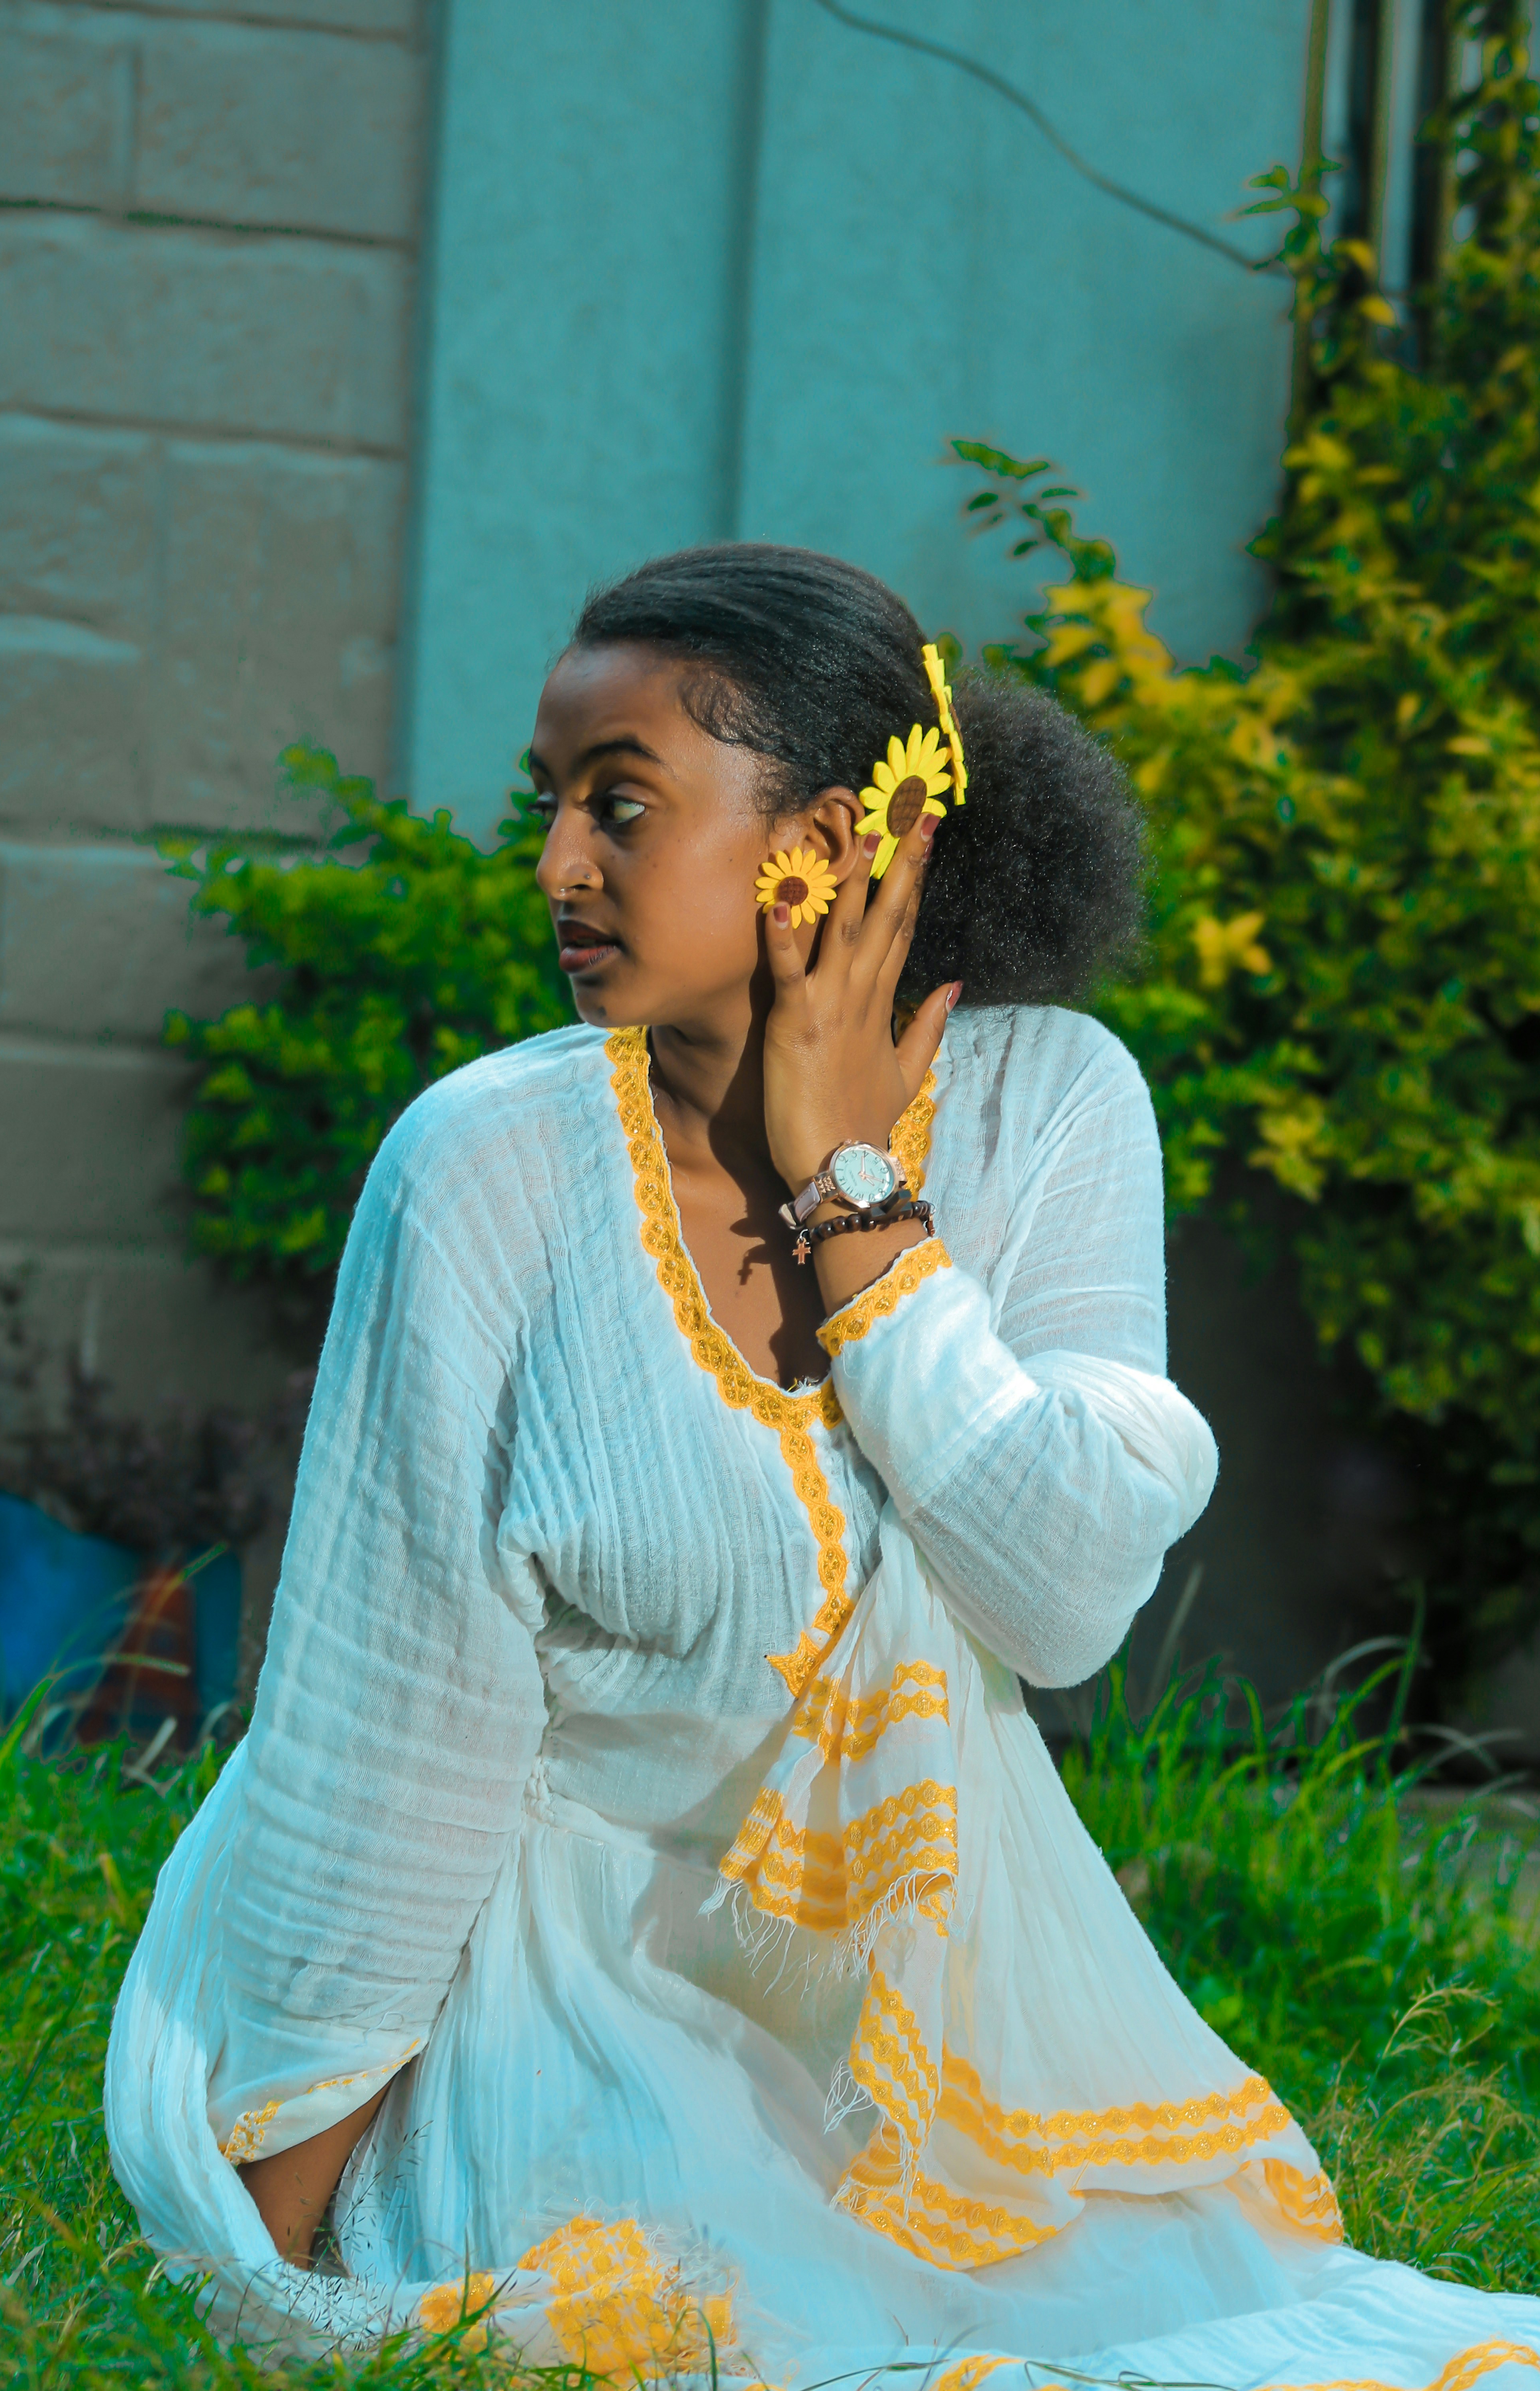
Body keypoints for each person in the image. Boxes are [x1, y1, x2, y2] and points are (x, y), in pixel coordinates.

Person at [107, 546, 1540, 2387]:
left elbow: (1064, 1595)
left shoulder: (1047, 1103)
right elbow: (391, 1726)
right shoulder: (485, 1173)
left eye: (621, 808)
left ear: (842, 845)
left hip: (940, 2023)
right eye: (548, 807)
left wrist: (848, 1195)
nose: (555, 867)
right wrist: (274, 2232)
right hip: (580, 2006)